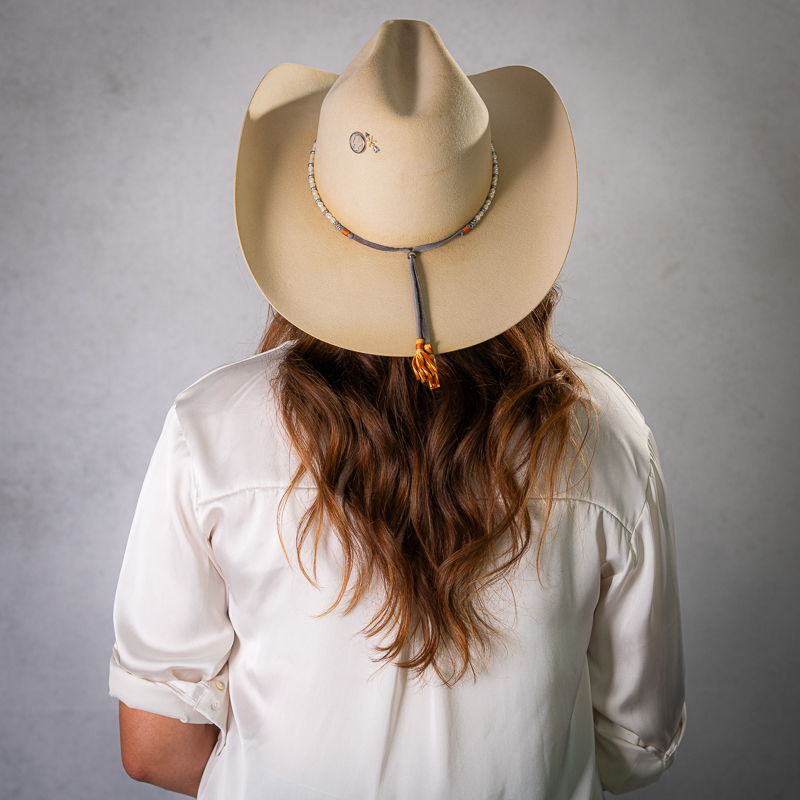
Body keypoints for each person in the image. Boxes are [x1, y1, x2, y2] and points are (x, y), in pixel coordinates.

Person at [109, 19, 686, 799]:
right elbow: (637, 740)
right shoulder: (605, 430)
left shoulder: (208, 427)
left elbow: (155, 745)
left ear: (310, 224)